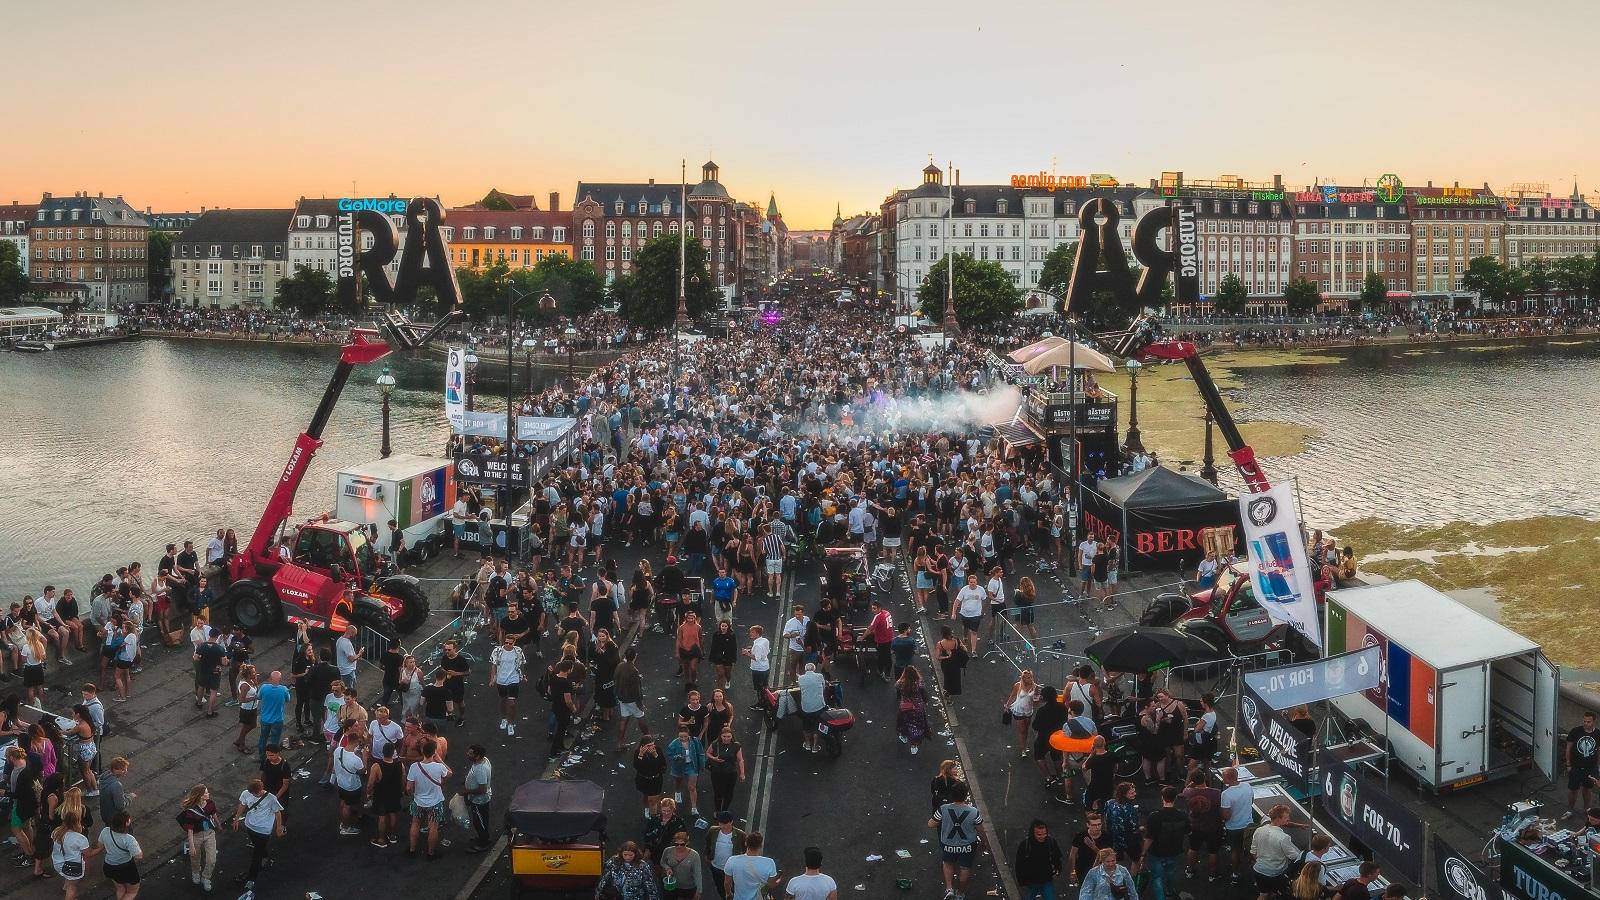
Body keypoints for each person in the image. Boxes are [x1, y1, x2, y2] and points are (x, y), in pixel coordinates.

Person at [929, 781, 983, 900]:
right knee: (965, 868)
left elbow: (931, 824)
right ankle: (960, 893)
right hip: (968, 845)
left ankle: (949, 889)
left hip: (948, 844)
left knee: (947, 864)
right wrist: (984, 842)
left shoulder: (944, 809)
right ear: (965, 795)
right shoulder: (974, 811)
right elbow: (980, 829)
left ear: (952, 795)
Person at [232, 778, 286, 891]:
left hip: (263, 830)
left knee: (256, 856)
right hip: (249, 825)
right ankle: (265, 856)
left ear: (261, 789)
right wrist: (236, 819)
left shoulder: (271, 798)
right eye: (253, 793)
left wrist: (279, 827)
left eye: (256, 793)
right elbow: (242, 805)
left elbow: (278, 812)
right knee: (258, 847)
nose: (254, 795)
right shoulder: (246, 793)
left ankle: (251, 878)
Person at [406, 738, 450, 859]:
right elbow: (450, 773)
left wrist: (412, 796)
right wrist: (440, 760)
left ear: (422, 751)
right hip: (435, 802)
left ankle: (412, 849)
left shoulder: (415, 767)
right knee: (433, 827)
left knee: (415, 823)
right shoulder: (439, 767)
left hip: (418, 801)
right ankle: (431, 852)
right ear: (434, 752)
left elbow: (409, 787)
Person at [1144, 785, 1189, 900]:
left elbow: (1149, 838)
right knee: (1170, 873)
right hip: (1174, 851)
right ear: (1175, 798)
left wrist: (1142, 853)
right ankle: (1170, 892)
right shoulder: (1182, 815)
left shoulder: (1155, 816)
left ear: (1162, 798)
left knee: (1157, 877)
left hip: (1156, 853)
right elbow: (1188, 832)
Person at [1180, 768, 1223, 882]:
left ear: (1193, 781)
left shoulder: (1188, 792)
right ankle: (1212, 875)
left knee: (1193, 848)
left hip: (1195, 826)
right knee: (1213, 852)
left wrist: (1191, 783)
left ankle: (1190, 870)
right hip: (1213, 826)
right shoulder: (1216, 793)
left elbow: (1186, 789)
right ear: (1205, 778)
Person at [1250, 804, 1301, 900]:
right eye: (1286, 817)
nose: (1288, 819)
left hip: (1259, 870)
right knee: (1276, 894)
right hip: (1276, 873)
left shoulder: (1259, 830)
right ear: (1278, 818)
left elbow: (1253, 851)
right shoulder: (1283, 837)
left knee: (1263, 894)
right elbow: (1294, 856)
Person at [177, 784, 220, 891]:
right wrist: (191, 846)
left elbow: (213, 814)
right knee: (195, 857)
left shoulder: (210, 803)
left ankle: (206, 877)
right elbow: (190, 830)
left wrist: (218, 824)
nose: (208, 793)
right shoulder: (190, 811)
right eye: (206, 793)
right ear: (200, 796)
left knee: (211, 860)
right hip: (196, 836)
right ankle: (195, 872)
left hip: (210, 833)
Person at [52, 808, 99, 898]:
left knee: (69, 880)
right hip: (73, 867)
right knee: (72, 887)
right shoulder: (80, 838)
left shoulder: (56, 832)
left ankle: (66, 886)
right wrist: (101, 848)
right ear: (78, 821)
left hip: (58, 862)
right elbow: (89, 854)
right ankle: (68, 890)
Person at [1219, 767, 1255, 884]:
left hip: (1234, 827)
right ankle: (1256, 874)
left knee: (1235, 851)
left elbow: (1225, 815)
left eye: (1223, 776)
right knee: (1250, 850)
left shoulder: (1226, 794)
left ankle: (1235, 873)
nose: (1222, 778)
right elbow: (1252, 801)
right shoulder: (1247, 786)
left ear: (1228, 778)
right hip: (1248, 824)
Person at [366, 742, 405, 848]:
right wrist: (401, 791)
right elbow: (403, 779)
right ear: (393, 753)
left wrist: (369, 794)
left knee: (382, 816)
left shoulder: (376, 766)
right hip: (395, 794)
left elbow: (370, 784)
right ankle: (392, 835)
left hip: (381, 794)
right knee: (392, 813)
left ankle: (381, 839)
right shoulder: (400, 765)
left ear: (383, 752)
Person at [98, 808, 142, 900]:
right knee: (132, 891)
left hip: (109, 866)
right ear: (126, 823)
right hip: (125, 867)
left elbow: (100, 845)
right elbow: (138, 856)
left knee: (120, 888)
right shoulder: (129, 839)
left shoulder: (105, 831)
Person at [595, 840, 663, 900]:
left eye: (630, 855)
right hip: (618, 895)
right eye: (625, 854)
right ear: (621, 853)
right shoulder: (614, 861)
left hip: (636, 897)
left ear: (635, 854)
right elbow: (604, 878)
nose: (627, 857)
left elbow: (650, 885)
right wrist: (598, 891)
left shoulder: (642, 865)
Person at [1014, 819, 1064, 900]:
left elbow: (1056, 857)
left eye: (1045, 834)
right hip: (1031, 882)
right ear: (1032, 833)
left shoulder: (1051, 842)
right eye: (1039, 834)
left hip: (1046, 880)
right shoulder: (1025, 845)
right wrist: (1021, 882)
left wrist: (1058, 868)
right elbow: (1019, 865)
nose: (1042, 837)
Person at [489, 634, 527, 737]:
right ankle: (504, 718)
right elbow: (493, 665)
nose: (508, 645)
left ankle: (511, 723)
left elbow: (522, 663)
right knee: (503, 700)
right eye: (506, 643)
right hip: (501, 680)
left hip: (513, 679)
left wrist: (523, 676)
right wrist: (492, 679)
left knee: (512, 703)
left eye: (511, 643)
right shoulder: (497, 651)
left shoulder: (518, 651)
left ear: (514, 643)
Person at [704, 812, 747, 900]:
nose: (722, 826)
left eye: (725, 823)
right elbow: (708, 843)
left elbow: (745, 849)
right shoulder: (712, 830)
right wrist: (707, 855)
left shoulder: (740, 835)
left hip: (732, 870)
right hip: (716, 867)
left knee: (733, 889)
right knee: (720, 887)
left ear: (731, 822)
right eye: (720, 823)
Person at [459, 744, 494, 853]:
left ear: (478, 756)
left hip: (479, 801)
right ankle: (482, 838)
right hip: (478, 799)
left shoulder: (480, 769)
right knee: (481, 820)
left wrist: (466, 791)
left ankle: (483, 843)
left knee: (479, 822)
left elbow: (482, 789)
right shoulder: (483, 760)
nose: (467, 754)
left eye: (470, 753)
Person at [726, 831, 780, 900]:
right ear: (760, 846)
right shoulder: (769, 862)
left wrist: (729, 894)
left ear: (746, 843)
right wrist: (780, 879)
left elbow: (727, 882)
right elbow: (771, 885)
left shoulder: (732, 860)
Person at [1104, 782, 1143, 877]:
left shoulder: (1109, 803)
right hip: (1130, 840)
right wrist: (1142, 828)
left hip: (1114, 838)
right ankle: (1132, 879)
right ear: (1124, 794)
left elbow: (1106, 818)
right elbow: (1134, 828)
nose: (1135, 794)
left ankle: (1117, 879)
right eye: (1131, 793)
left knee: (1117, 860)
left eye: (1134, 792)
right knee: (1136, 859)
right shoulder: (1131, 809)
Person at [667, 727, 706, 817]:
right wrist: (677, 756)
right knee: (678, 781)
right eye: (681, 737)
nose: (683, 739)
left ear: (688, 735)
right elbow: (669, 754)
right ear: (678, 735)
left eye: (685, 736)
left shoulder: (695, 741)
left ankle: (694, 808)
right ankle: (677, 792)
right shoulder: (674, 743)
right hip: (679, 766)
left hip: (692, 765)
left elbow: (701, 753)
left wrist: (702, 765)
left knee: (692, 787)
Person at [705, 727, 745, 814]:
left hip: (730, 773)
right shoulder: (715, 744)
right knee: (717, 792)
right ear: (720, 736)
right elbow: (708, 753)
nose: (726, 738)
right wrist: (714, 758)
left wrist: (742, 773)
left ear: (732, 736)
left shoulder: (736, 746)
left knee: (729, 793)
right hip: (717, 772)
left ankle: (725, 809)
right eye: (724, 736)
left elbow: (740, 760)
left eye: (728, 736)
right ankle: (717, 809)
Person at [616, 646, 649, 750]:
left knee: (624, 718)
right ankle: (648, 738)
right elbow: (636, 691)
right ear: (635, 656)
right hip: (631, 699)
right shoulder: (634, 670)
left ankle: (620, 742)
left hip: (621, 697)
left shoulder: (620, 665)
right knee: (641, 717)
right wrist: (640, 704)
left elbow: (616, 678)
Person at [1567, 711, 1598, 815]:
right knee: (1573, 789)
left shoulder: (1598, 734)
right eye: (1584, 721)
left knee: (1587, 789)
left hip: (1590, 768)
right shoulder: (1575, 731)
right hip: (1576, 767)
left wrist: (1598, 767)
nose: (1586, 723)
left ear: (1594, 721)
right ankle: (1570, 810)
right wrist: (1568, 764)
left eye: (1588, 722)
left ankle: (1587, 809)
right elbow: (1568, 748)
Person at [896, 665, 931, 754]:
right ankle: (914, 745)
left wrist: (902, 676)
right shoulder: (919, 683)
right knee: (917, 726)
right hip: (917, 707)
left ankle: (904, 735)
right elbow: (923, 693)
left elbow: (896, 685)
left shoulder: (902, 683)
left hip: (905, 707)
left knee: (904, 723)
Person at [660, 828, 703, 899]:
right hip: (671, 884)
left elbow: (697, 873)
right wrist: (667, 868)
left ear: (687, 843)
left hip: (688, 887)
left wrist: (699, 890)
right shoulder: (667, 850)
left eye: (682, 844)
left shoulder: (694, 855)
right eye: (676, 844)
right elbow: (662, 862)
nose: (679, 846)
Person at [1004, 669, 1040, 755]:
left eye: (1030, 677)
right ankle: (1023, 749)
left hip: (1029, 711)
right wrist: (1007, 706)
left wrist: (1036, 698)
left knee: (1026, 730)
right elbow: (1012, 696)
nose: (1029, 679)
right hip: (1018, 711)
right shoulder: (1017, 685)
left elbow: (1036, 702)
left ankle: (1024, 745)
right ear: (1023, 678)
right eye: (1027, 678)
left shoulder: (1035, 687)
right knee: (1022, 730)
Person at [1068, 813, 1109, 887]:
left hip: (1101, 870)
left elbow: (1108, 856)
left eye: (1099, 824)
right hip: (1083, 870)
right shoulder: (1080, 836)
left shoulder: (1106, 837)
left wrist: (1093, 847)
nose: (1097, 827)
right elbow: (1073, 854)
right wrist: (1073, 872)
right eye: (1094, 825)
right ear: (1088, 825)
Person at [796, 662, 827, 754]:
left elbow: (800, 689)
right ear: (814, 669)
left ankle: (807, 744)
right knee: (817, 726)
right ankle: (815, 746)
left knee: (806, 726)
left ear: (805, 670)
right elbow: (823, 687)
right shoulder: (820, 676)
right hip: (819, 707)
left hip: (806, 708)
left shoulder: (801, 678)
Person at [951, 573, 986, 654]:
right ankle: (965, 637)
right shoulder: (964, 590)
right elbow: (957, 601)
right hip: (965, 614)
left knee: (974, 632)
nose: (972, 584)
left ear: (976, 582)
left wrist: (983, 611)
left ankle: (973, 650)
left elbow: (984, 601)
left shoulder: (981, 590)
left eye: (974, 582)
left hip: (976, 615)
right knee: (965, 627)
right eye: (971, 582)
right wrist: (953, 613)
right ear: (968, 582)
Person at [634, 736, 666, 819]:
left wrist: (655, 755)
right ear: (643, 746)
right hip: (644, 779)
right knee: (646, 796)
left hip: (655, 779)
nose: (651, 747)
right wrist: (640, 755)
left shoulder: (657, 750)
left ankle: (653, 818)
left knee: (653, 801)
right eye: (648, 746)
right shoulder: (638, 752)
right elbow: (637, 766)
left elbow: (662, 764)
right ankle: (647, 809)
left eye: (652, 745)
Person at [742, 625, 771, 699]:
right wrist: (752, 649)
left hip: (758, 669)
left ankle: (761, 703)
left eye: (752, 632)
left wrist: (747, 653)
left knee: (759, 688)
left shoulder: (757, 645)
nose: (750, 633)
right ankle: (768, 699)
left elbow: (756, 658)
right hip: (765, 667)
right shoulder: (765, 640)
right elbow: (766, 651)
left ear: (758, 634)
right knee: (765, 685)